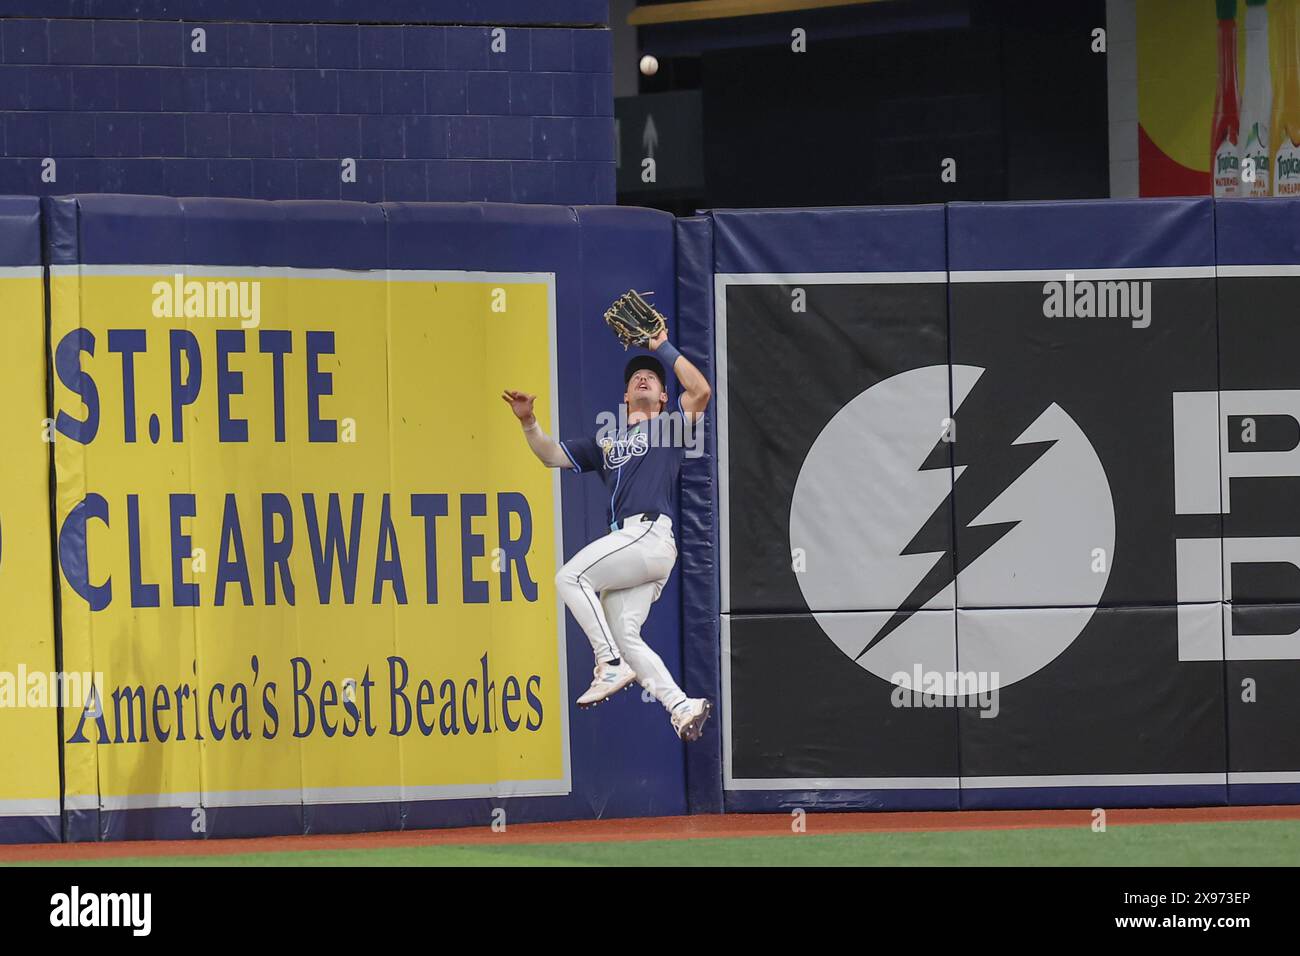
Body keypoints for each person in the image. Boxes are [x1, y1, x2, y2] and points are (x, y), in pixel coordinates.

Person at [501, 329, 713, 742]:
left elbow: (701, 389)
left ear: (665, 397)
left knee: (570, 577)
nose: (644, 377)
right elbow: (550, 455)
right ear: (625, 398)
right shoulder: (607, 441)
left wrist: (660, 349)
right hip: (637, 551)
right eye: (636, 376)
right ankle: (682, 705)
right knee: (625, 634)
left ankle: (608, 663)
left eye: (652, 377)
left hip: (648, 533)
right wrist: (528, 422)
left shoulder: (670, 427)